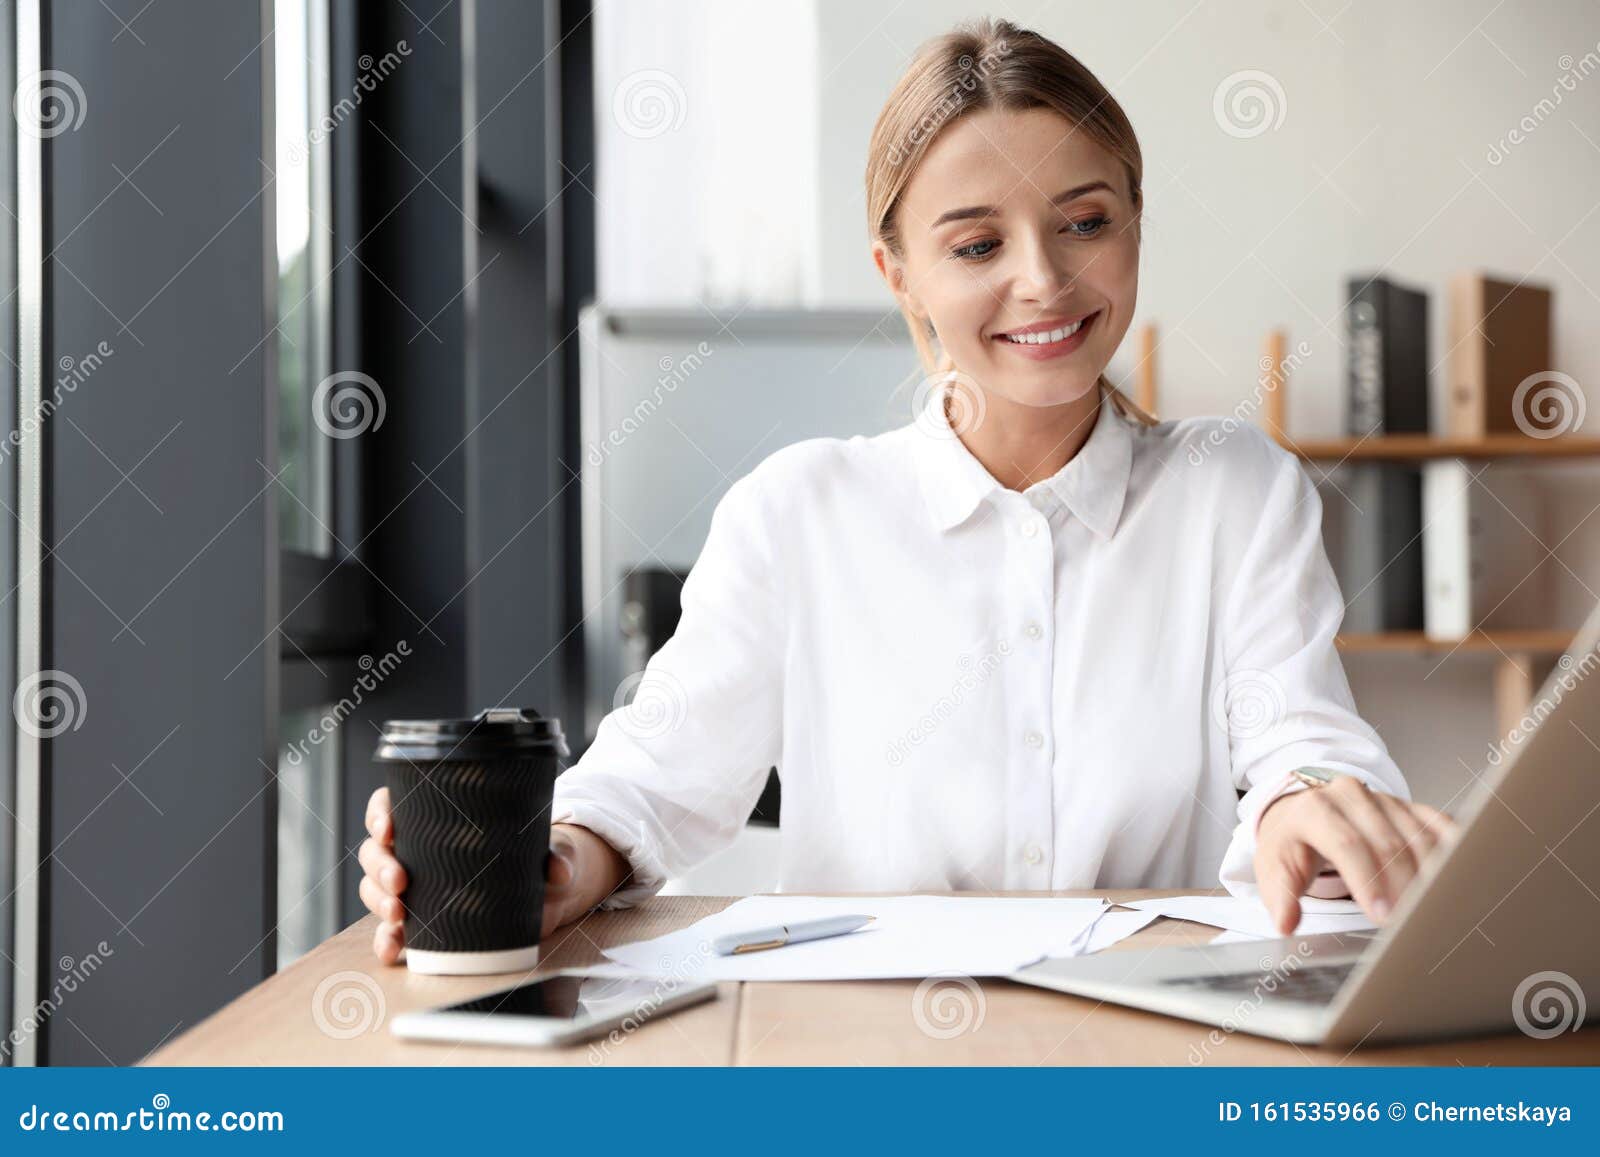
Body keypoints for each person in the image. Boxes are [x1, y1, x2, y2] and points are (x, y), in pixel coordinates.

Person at [360, 17, 1457, 964]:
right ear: (899, 274)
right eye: (976, 243)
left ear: (1134, 220)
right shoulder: (799, 511)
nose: (1043, 278)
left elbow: (1301, 734)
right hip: (867, 1056)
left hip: (1146, 1047)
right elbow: (652, 776)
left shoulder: (1235, 487)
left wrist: (1308, 798)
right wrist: (553, 858)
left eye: (1086, 221)